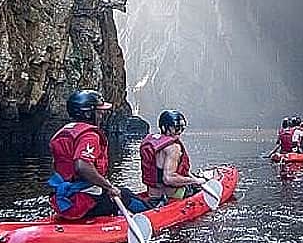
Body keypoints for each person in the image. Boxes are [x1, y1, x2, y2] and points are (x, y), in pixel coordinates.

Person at [46, 89, 149, 219]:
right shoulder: (89, 136)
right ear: (88, 114)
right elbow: (81, 165)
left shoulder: (62, 133)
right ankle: (154, 215)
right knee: (126, 195)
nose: (102, 116)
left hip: (64, 201)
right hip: (84, 204)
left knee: (114, 193)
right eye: (99, 112)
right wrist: (109, 187)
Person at [140, 110, 208, 204]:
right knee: (195, 187)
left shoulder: (151, 143)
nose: (179, 131)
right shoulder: (173, 148)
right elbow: (169, 179)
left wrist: (193, 179)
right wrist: (195, 181)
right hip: (172, 196)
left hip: (153, 196)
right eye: (176, 128)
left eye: (182, 128)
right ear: (164, 127)